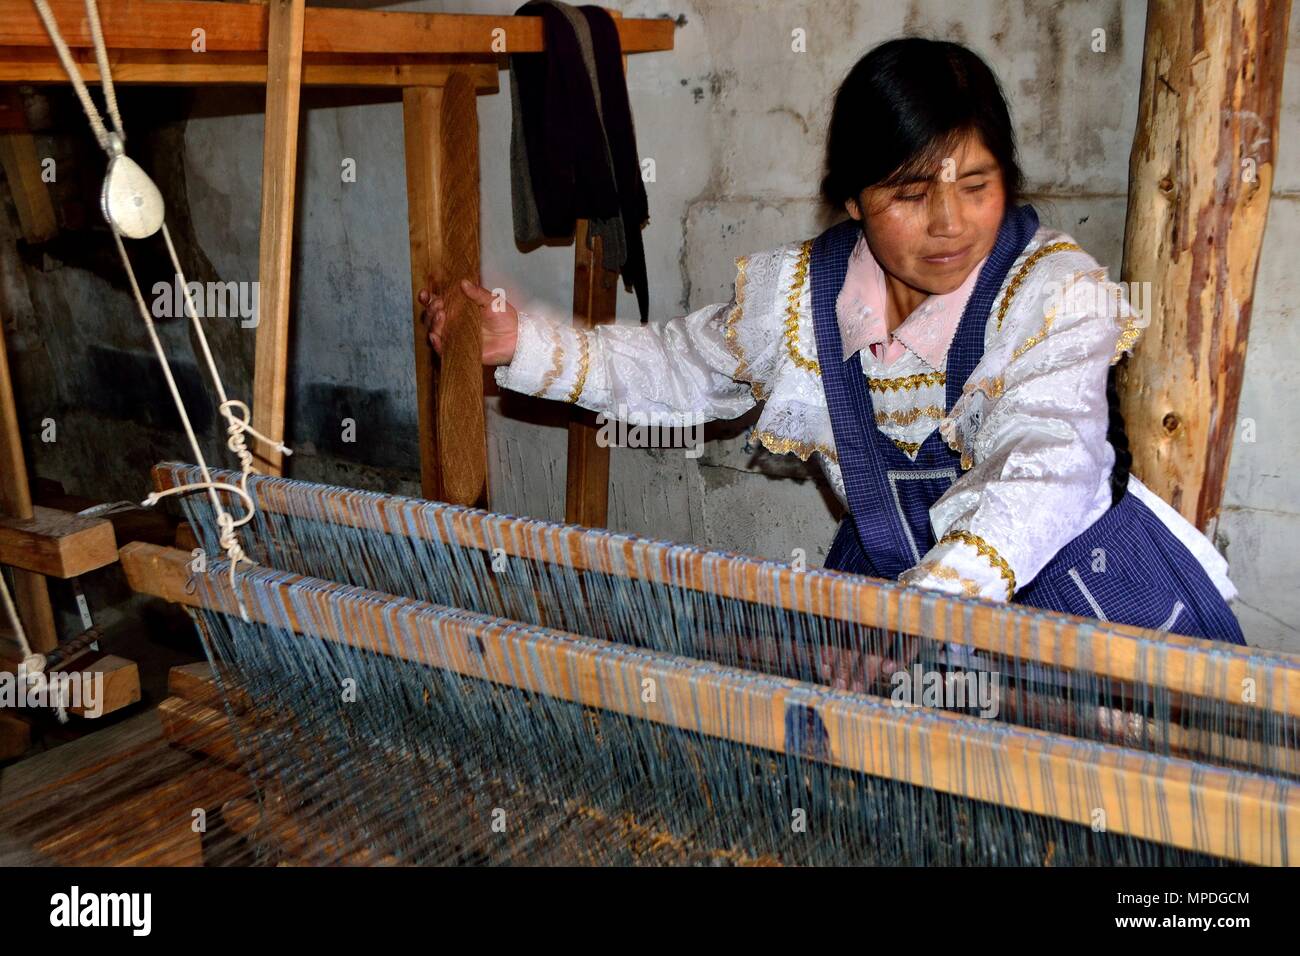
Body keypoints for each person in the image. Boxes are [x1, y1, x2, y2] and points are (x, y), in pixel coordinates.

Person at [419, 37, 1246, 678]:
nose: (951, 225)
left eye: (979, 186)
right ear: (854, 201)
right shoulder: (803, 299)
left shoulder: (1053, 292)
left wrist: (926, 612)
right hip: (903, 596)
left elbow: (1048, 458)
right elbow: (679, 367)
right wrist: (519, 340)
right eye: (910, 196)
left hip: (1081, 593)